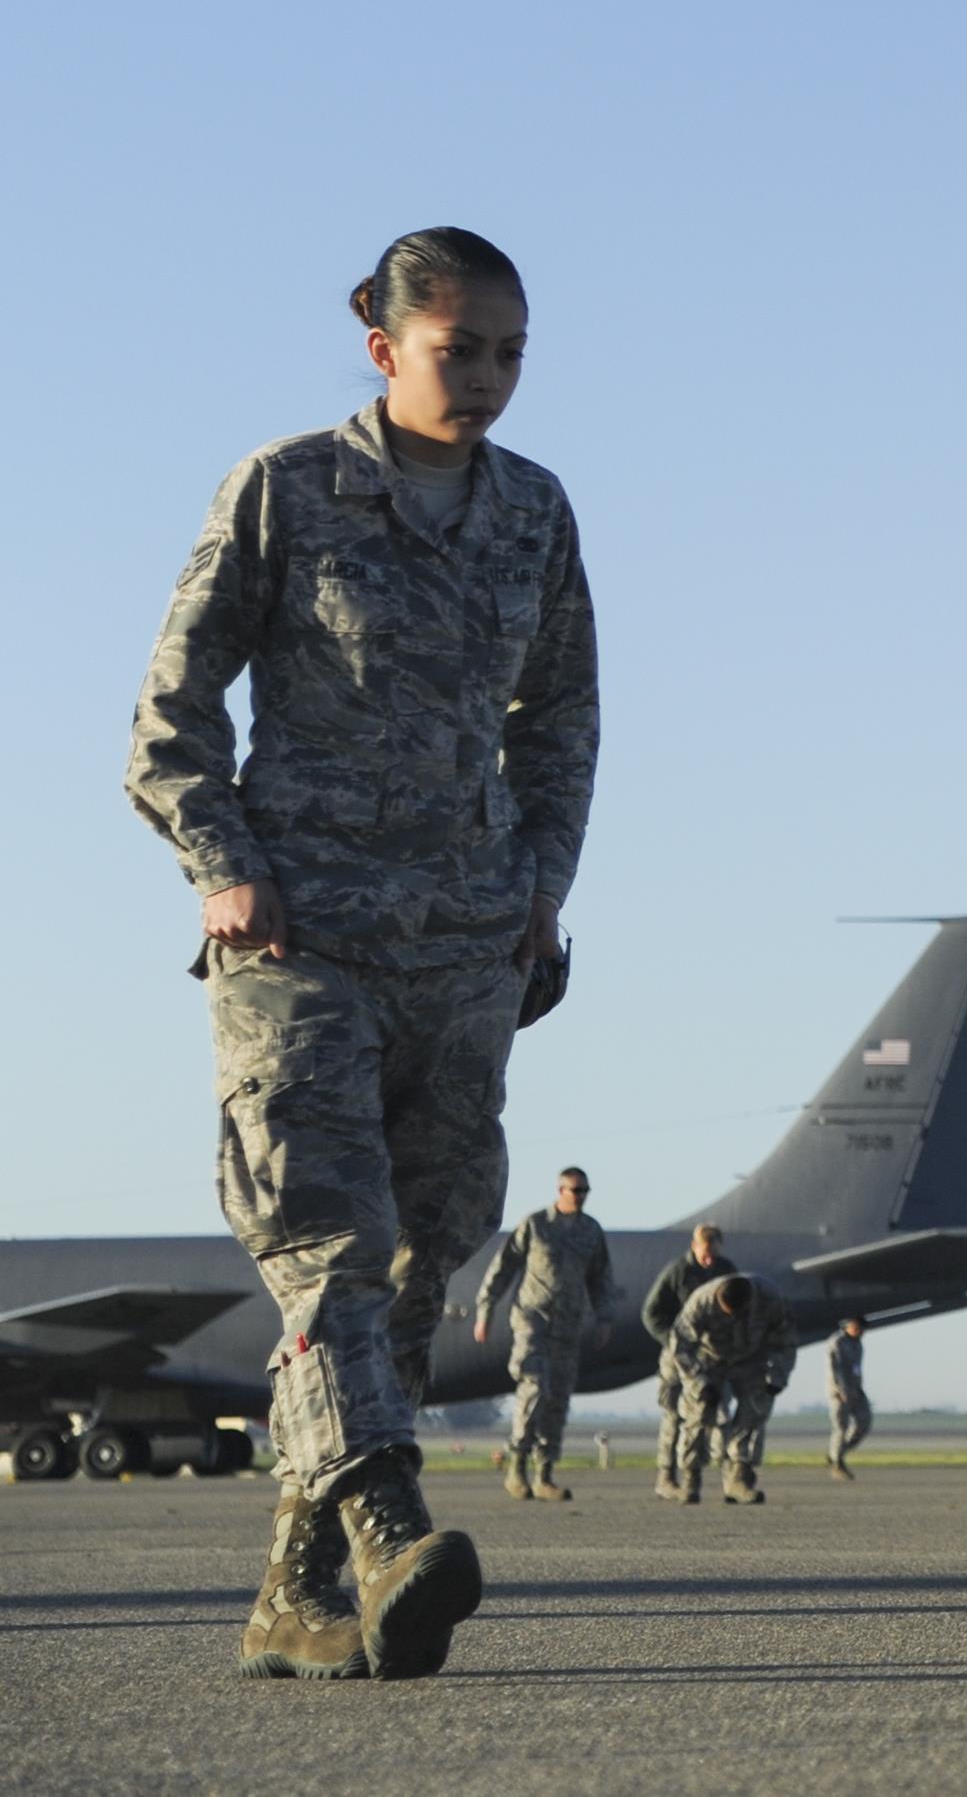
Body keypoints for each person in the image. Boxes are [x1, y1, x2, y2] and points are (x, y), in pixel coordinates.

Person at [126, 228, 597, 1683]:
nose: (492, 380)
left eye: (514, 352)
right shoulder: (284, 490)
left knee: (419, 1255)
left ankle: (295, 1592)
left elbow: (562, 720)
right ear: (383, 342)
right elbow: (170, 712)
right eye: (464, 349)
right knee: (323, 1239)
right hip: (301, 933)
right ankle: (392, 1521)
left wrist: (539, 892)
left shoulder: (533, 512)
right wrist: (225, 867)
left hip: (464, 945)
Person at [471, 1165, 617, 1503]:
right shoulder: (536, 1225)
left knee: (558, 1396)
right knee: (534, 1385)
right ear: (560, 1190)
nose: (580, 1197)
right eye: (575, 1190)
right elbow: (504, 1265)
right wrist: (486, 1309)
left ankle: (545, 1474)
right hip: (532, 1318)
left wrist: (604, 1318)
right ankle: (516, 1466)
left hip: (569, 1323)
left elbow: (601, 1277)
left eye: (585, 1191)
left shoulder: (591, 1231)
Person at [660, 1271, 794, 1506]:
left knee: (754, 1411)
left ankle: (739, 1478)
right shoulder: (701, 1302)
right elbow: (680, 1347)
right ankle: (691, 1480)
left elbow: (785, 1340)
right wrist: (701, 1383)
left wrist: (777, 1376)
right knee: (698, 1415)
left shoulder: (769, 1298)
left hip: (751, 1358)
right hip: (710, 1358)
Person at [641, 1222, 738, 1501]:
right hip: (676, 1355)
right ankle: (666, 1477)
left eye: (713, 1254)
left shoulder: (725, 1270)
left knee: (717, 1412)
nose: (709, 1260)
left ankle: (726, 1478)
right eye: (704, 1253)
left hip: (712, 1355)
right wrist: (671, 1340)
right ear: (694, 1247)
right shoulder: (678, 1272)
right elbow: (651, 1312)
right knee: (673, 1413)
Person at [826, 1320, 871, 1479]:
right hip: (839, 1392)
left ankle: (836, 1452)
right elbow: (835, 1368)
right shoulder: (837, 1342)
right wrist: (841, 1390)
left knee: (864, 1422)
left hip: (856, 1390)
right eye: (858, 1328)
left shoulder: (857, 1344)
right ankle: (837, 1463)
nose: (861, 1332)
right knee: (841, 1427)